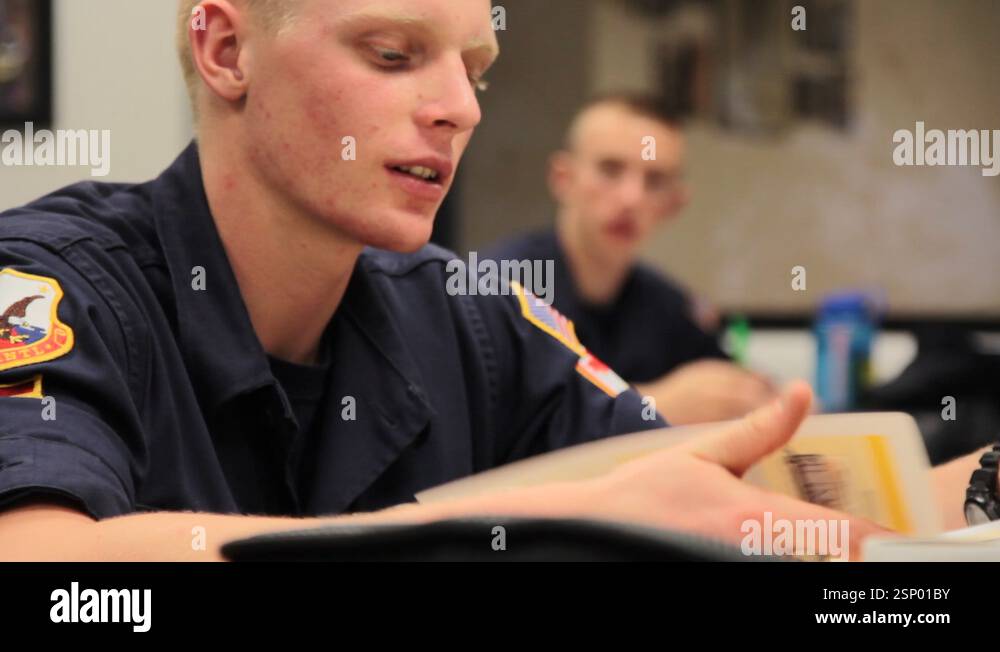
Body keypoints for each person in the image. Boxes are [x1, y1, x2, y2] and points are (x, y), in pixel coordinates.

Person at [0, 0, 982, 561]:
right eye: (394, 55)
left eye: (475, 68)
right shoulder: (58, 284)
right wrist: (521, 523)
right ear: (224, 50)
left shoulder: (469, 316)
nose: (458, 110)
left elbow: (751, 498)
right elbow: (47, 568)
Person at [486, 95, 775, 425]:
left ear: (674, 203)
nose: (631, 199)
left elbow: (741, 395)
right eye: (610, 170)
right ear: (563, 179)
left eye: (655, 181)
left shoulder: (672, 308)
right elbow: (493, 424)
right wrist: (649, 404)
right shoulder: (497, 288)